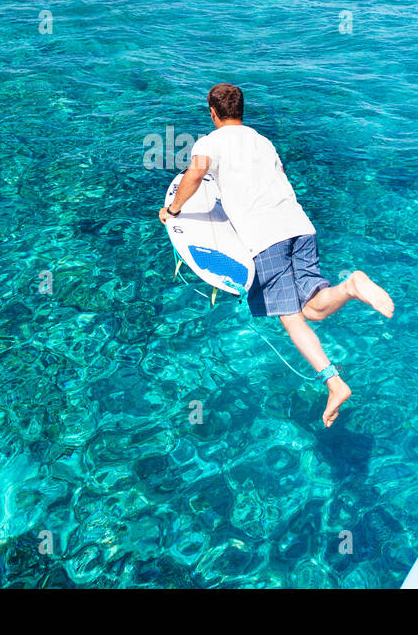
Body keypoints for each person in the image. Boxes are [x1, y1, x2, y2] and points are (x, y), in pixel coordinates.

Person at [159, 83, 394, 427]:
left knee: (291, 317)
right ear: (242, 110)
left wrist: (174, 210)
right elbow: (279, 178)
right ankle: (350, 287)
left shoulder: (208, 142)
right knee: (313, 309)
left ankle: (334, 382)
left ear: (212, 113)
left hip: (265, 236)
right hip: (299, 226)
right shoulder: (263, 141)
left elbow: (195, 174)